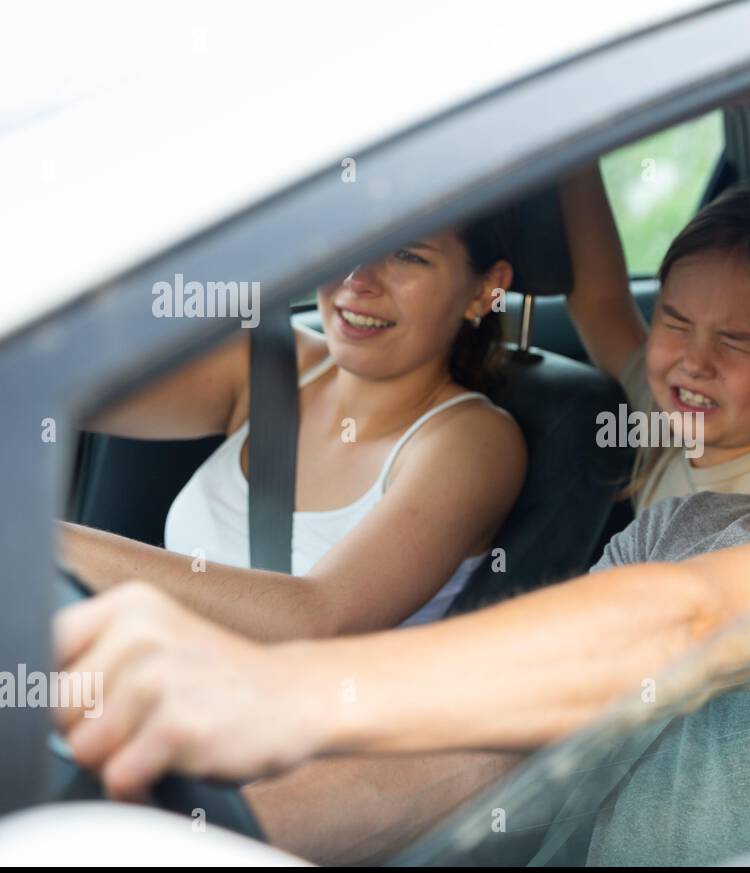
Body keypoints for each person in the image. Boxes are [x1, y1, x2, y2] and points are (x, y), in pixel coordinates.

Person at [55, 156, 750, 865]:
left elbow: (692, 622)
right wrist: (165, 828)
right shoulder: (685, 526)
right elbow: (500, 741)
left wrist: (283, 690)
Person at [57, 216, 527, 641]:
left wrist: (47, 544)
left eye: (407, 255)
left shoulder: (474, 442)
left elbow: (316, 618)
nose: (356, 280)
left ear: (486, 289)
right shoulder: (268, 364)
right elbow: (58, 387)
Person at [560, 166, 750, 508]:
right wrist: (572, 151)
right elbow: (598, 304)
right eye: (676, 325)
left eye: (734, 341)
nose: (694, 362)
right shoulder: (667, 423)